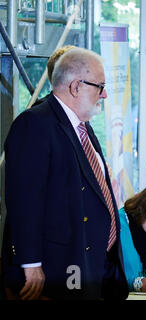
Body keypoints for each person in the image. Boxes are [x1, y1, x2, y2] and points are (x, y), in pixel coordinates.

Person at [1, 47, 128, 300]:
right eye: (100, 86)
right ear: (76, 86)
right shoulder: (35, 124)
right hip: (57, 269)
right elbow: (25, 201)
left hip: (91, 265)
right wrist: (31, 263)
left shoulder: (84, 127)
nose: (104, 94)